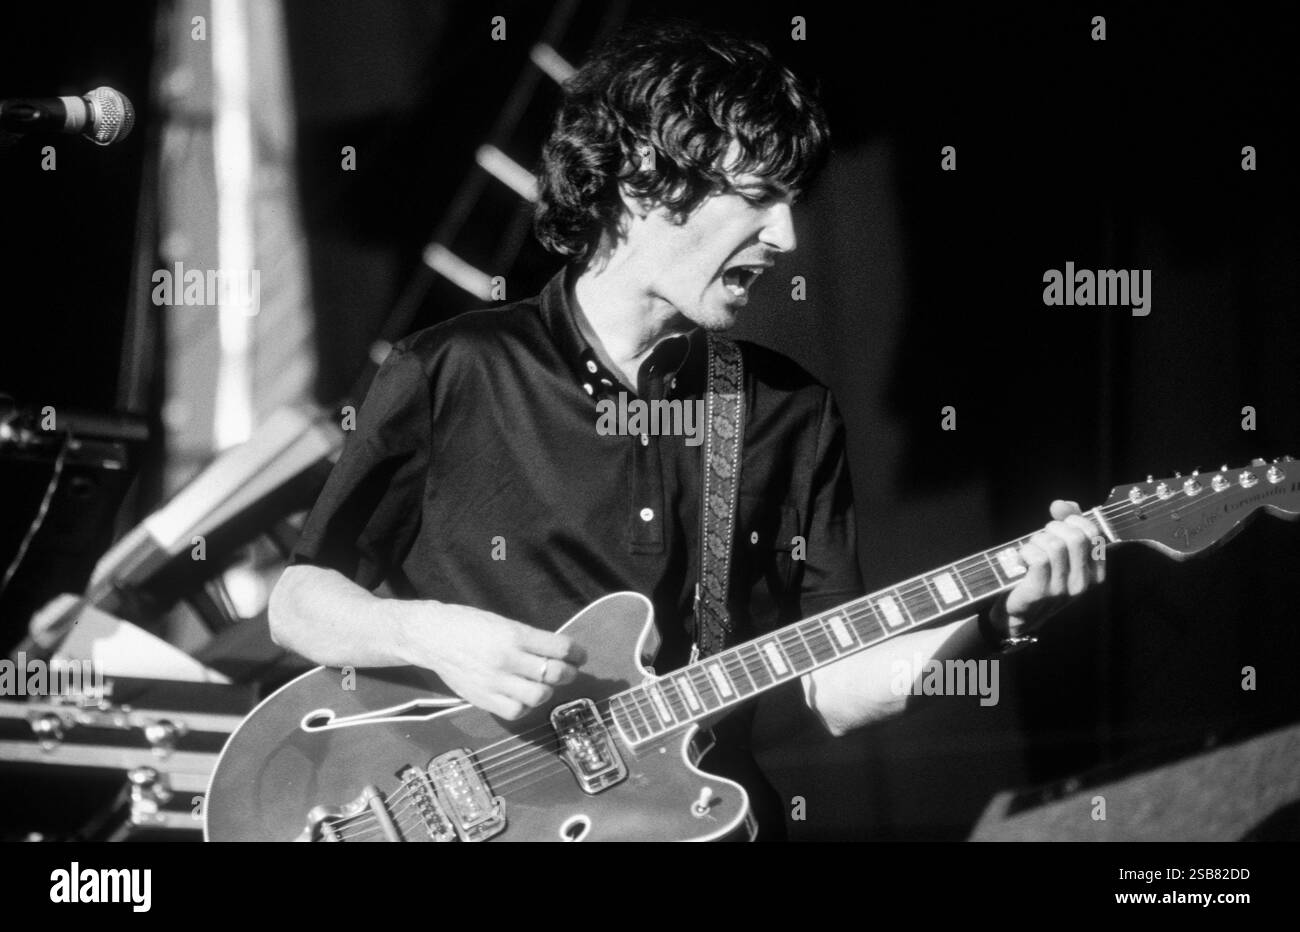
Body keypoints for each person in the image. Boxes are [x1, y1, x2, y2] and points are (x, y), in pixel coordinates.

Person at [269, 20, 1103, 840]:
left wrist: (999, 622)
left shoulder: (789, 411)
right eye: (757, 198)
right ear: (642, 180)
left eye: (792, 202)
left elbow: (830, 687)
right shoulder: (451, 367)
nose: (786, 237)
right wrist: (431, 633)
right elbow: (298, 604)